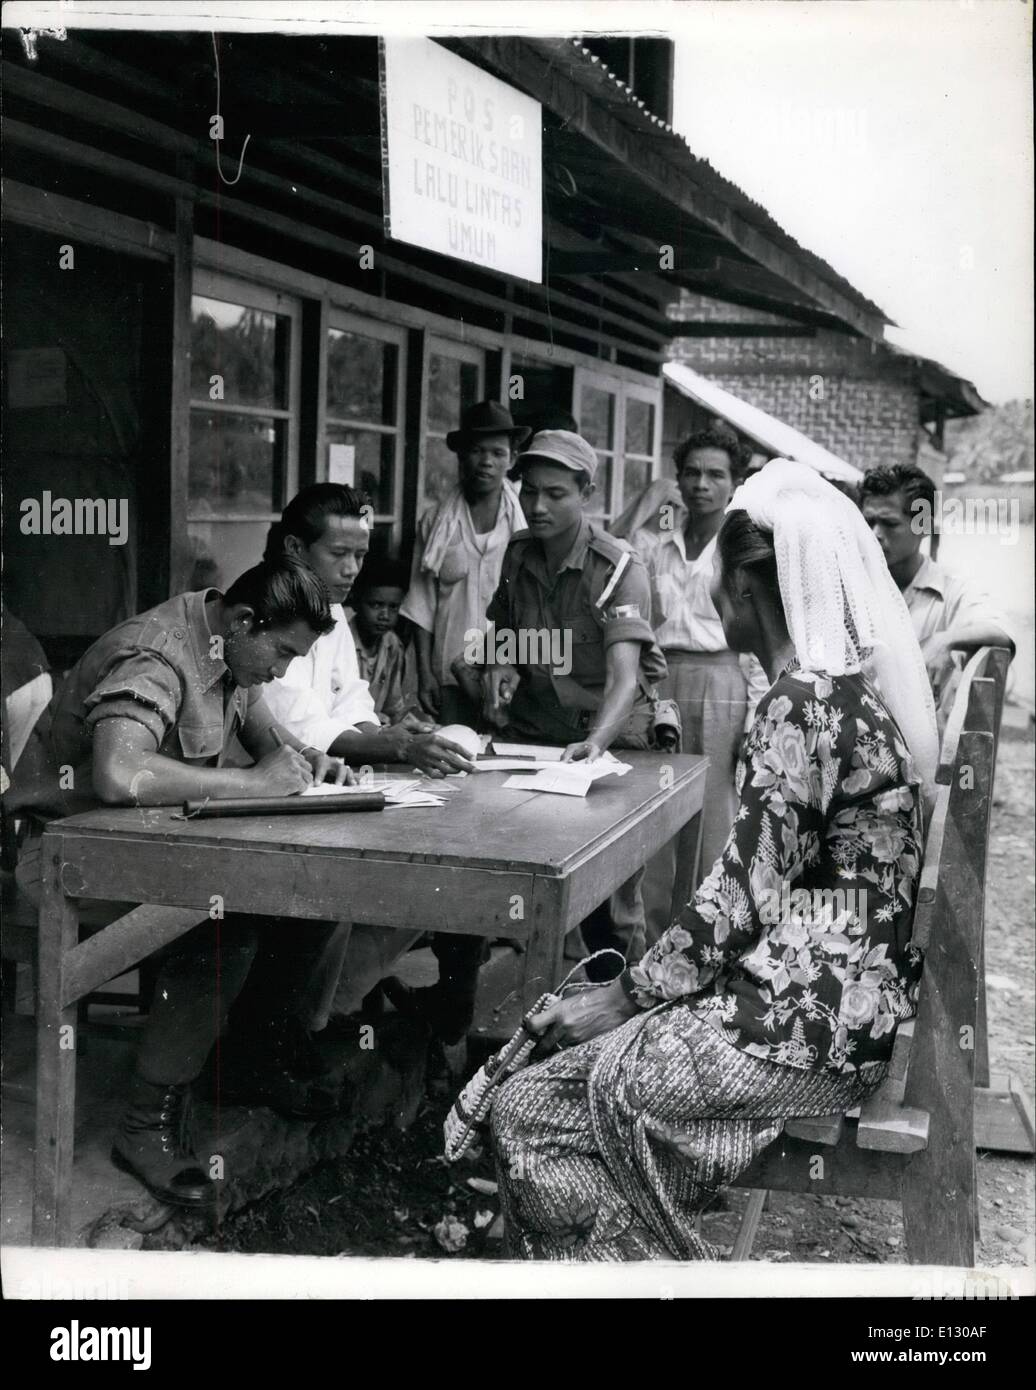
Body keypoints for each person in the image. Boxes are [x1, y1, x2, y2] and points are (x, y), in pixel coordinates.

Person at [490, 458, 939, 1261]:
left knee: (526, 1112)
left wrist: (623, 997)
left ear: (742, 590)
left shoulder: (800, 704)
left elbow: (740, 899)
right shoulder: (837, 692)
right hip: (838, 1006)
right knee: (567, 1093)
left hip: (807, 1027)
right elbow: (757, 896)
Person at [6, 556, 357, 1208]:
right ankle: (144, 1129)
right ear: (248, 620)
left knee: (304, 894)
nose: (282, 670)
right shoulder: (159, 655)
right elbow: (117, 775)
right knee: (222, 925)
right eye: (281, 653)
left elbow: (264, 734)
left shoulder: (225, 636)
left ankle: (248, 1059)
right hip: (63, 855)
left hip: (142, 844)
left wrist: (306, 762)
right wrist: (253, 784)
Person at [261, 485, 481, 1043]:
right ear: (293, 547)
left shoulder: (331, 611)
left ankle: (334, 1008)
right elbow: (296, 718)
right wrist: (395, 748)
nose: (353, 569)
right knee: (350, 889)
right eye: (340, 554)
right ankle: (297, 1028)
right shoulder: (265, 606)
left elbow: (348, 699)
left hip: (321, 785)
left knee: (435, 875)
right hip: (263, 798)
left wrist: (387, 734)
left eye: (360, 555)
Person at [474, 428, 668, 977]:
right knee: (519, 873)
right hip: (536, 739)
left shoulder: (620, 569)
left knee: (608, 903)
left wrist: (594, 743)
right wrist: (499, 667)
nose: (537, 506)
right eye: (530, 491)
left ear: (586, 490)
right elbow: (503, 635)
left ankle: (625, 1024)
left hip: (608, 744)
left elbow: (624, 679)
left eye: (555, 494)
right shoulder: (517, 554)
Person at [630, 425, 761, 941]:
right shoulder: (653, 541)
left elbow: (754, 638)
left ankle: (703, 941)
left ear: (735, 483)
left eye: (715, 474)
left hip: (722, 681)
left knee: (712, 814)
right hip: (661, 681)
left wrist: (754, 713)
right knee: (652, 809)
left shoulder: (742, 544)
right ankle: (647, 940)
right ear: (677, 479)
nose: (701, 483)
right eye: (691, 472)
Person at [402, 400, 530, 727]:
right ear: (461, 456)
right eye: (476, 451)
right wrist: (425, 674)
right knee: (456, 760)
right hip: (449, 672)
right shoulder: (436, 523)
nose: (486, 462)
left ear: (512, 459)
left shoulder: (526, 524)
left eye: (498, 453)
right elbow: (421, 603)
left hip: (512, 672)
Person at [859, 464, 1014, 715]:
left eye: (889, 523)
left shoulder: (951, 587)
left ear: (923, 526)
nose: (875, 533)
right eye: (869, 521)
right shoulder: (848, 584)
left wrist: (943, 641)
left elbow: (1001, 628)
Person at [346, 559, 422, 727]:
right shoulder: (343, 641)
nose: (384, 615)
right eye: (375, 605)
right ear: (356, 602)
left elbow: (393, 707)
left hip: (377, 731)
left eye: (393, 607)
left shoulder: (392, 644)